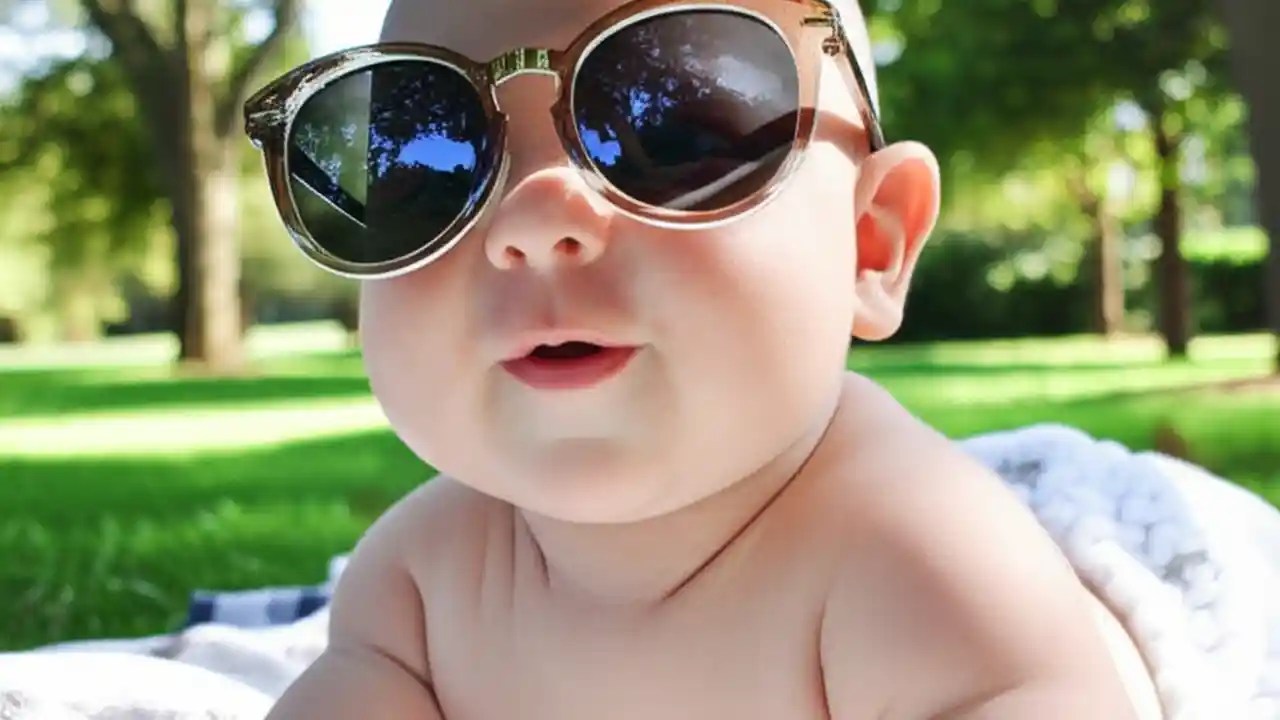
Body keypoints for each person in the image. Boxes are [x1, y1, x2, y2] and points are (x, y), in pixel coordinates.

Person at [244, 0, 1159, 716]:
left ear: (870, 246)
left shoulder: (923, 566)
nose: (530, 220)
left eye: (674, 140)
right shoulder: (417, 589)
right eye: (423, 171)